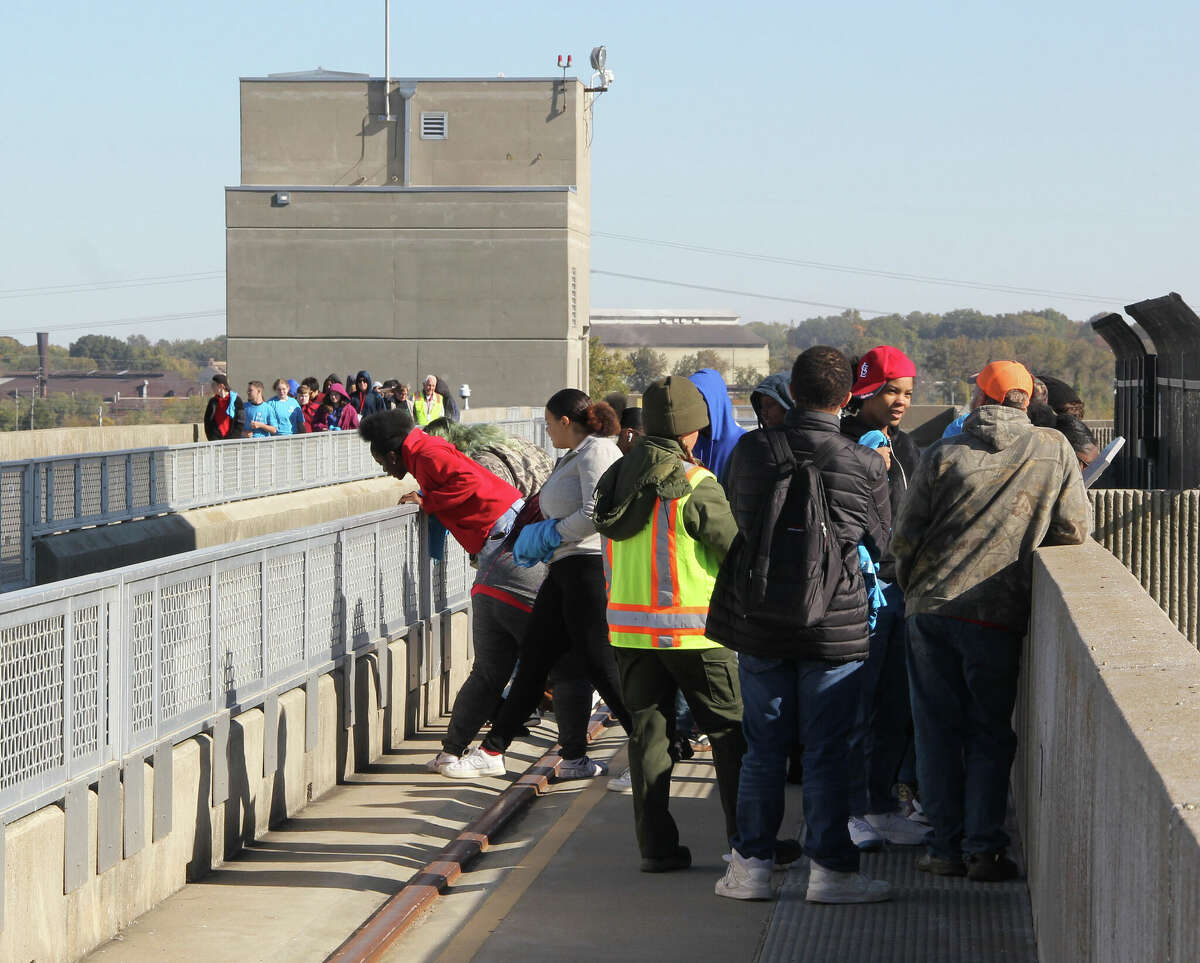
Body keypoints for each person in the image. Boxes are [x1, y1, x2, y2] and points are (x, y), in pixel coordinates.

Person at [891, 361, 1090, 882]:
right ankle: (984, 849)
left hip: (931, 610)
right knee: (989, 733)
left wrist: (916, 588)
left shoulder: (943, 453)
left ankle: (942, 848)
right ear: (1028, 400)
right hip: (998, 615)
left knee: (935, 731)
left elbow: (904, 538)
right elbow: (1073, 531)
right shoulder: (1054, 450)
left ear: (979, 399)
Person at [708, 346, 892, 904]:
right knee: (828, 750)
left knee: (763, 749)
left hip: (760, 617)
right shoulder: (863, 462)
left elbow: (740, 518)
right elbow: (884, 546)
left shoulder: (751, 451)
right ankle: (832, 873)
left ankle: (752, 869)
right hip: (833, 626)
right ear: (847, 398)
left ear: (794, 392)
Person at [593, 376, 744, 873]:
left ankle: (656, 849)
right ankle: (748, 846)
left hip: (629, 633)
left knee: (647, 739)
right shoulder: (696, 484)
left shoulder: (616, 479)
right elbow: (736, 555)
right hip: (695, 634)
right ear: (691, 432)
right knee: (729, 735)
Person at [441, 390, 632, 780]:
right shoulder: (577, 454)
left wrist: (551, 532)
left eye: (548, 424)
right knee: (534, 662)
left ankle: (652, 748)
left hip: (587, 569)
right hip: (564, 569)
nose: (546, 433)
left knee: (600, 666)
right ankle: (496, 750)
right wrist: (550, 537)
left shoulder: (596, 452)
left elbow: (597, 514)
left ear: (566, 420)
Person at [838, 346, 929, 851]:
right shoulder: (841, 444)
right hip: (856, 595)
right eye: (891, 391)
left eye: (908, 394)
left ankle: (880, 803)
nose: (900, 402)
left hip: (902, 592)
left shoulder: (908, 447)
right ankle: (853, 810)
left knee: (895, 704)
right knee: (857, 704)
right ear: (865, 392)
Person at [359, 408, 524, 554]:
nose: (384, 470)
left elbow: (468, 480)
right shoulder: (422, 449)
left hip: (501, 523)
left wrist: (427, 502)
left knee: (489, 590)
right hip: (500, 521)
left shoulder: (426, 455)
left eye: (382, 463)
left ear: (392, 457)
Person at [687, 368, 745, 486]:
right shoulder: (687, 442)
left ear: (715, 402)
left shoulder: (744, 443)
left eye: (700, 401)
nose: (695, 408)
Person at [203, 374, 245, 441]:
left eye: (213, 385)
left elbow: (240, 421)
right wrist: (212, 437)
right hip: (216, 440)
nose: (211, 387)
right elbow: (207, 421)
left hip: (233, 440)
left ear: (221, 386)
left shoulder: (236, 400)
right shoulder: (213, 402)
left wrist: (233, 438)